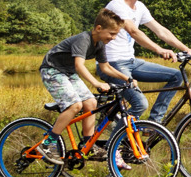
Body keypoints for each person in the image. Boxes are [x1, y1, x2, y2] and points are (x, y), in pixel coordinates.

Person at [103, 0, 191, 125]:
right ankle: (116, 146)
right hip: (113, 64)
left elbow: (161, 31)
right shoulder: (117, 5)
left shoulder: (140, 7)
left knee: (176, 76)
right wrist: (159, 50)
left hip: (131, 62)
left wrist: (186, 49)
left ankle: (153, 125)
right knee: (140, 104)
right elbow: (133, 31)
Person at [39, 9, 129, 163]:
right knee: (74, 105)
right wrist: (96, 83)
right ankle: (47, 144)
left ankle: (87, 144)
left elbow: (105, 67)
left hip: (68, 72)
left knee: (91, 103)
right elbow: (79, 65)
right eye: (112, 34)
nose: (113, 38)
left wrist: (126, 78)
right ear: (99, 28)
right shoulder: (83, 39)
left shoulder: (100, 44)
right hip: (52, 70)